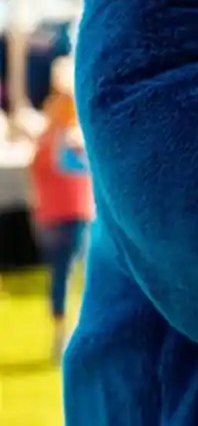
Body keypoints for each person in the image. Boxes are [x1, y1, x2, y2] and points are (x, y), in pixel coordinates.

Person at [28, 56, 93, 362]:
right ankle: (69, 334)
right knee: (68, 273)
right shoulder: (61, 132)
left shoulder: (59, 131)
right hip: (63, 212)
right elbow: (62, 165)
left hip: (63, 212)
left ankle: (70, 333)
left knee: (65, 273)